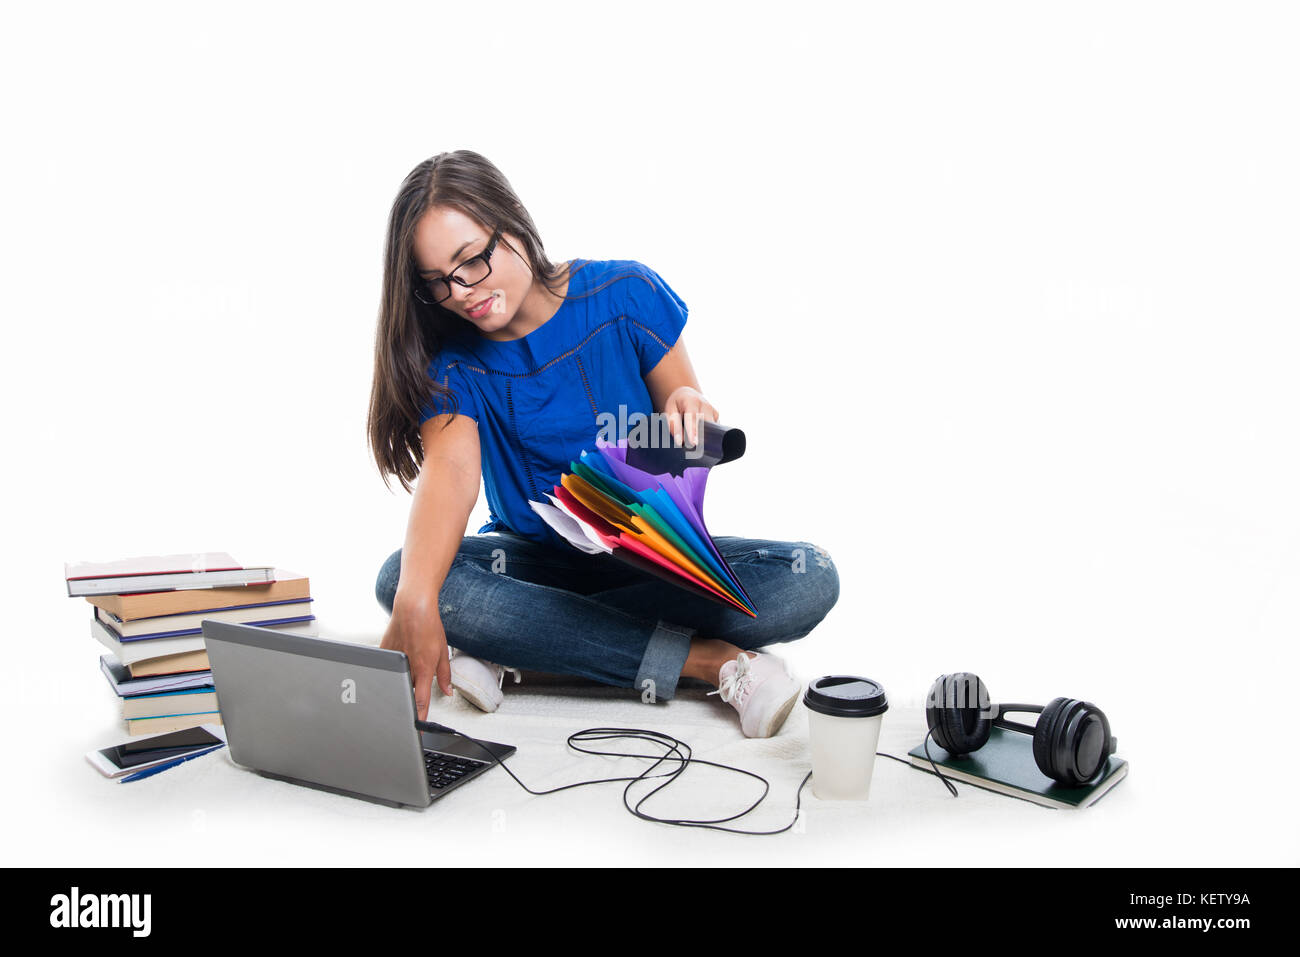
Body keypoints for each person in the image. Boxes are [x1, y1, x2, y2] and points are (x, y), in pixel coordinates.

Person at [368, 150, 839, 738]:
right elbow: (451, 474)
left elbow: (685, 401)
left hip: (649, 569)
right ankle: (711, 662)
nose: (462, 291)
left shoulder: (624, 294)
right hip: (530, 567)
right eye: (437, 282)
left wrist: (688, 404)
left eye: (472, 261)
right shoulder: (456, 365)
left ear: (512, 222)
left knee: (810, 576)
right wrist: (416, 597)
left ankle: (518, 644)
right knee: (401, 578)